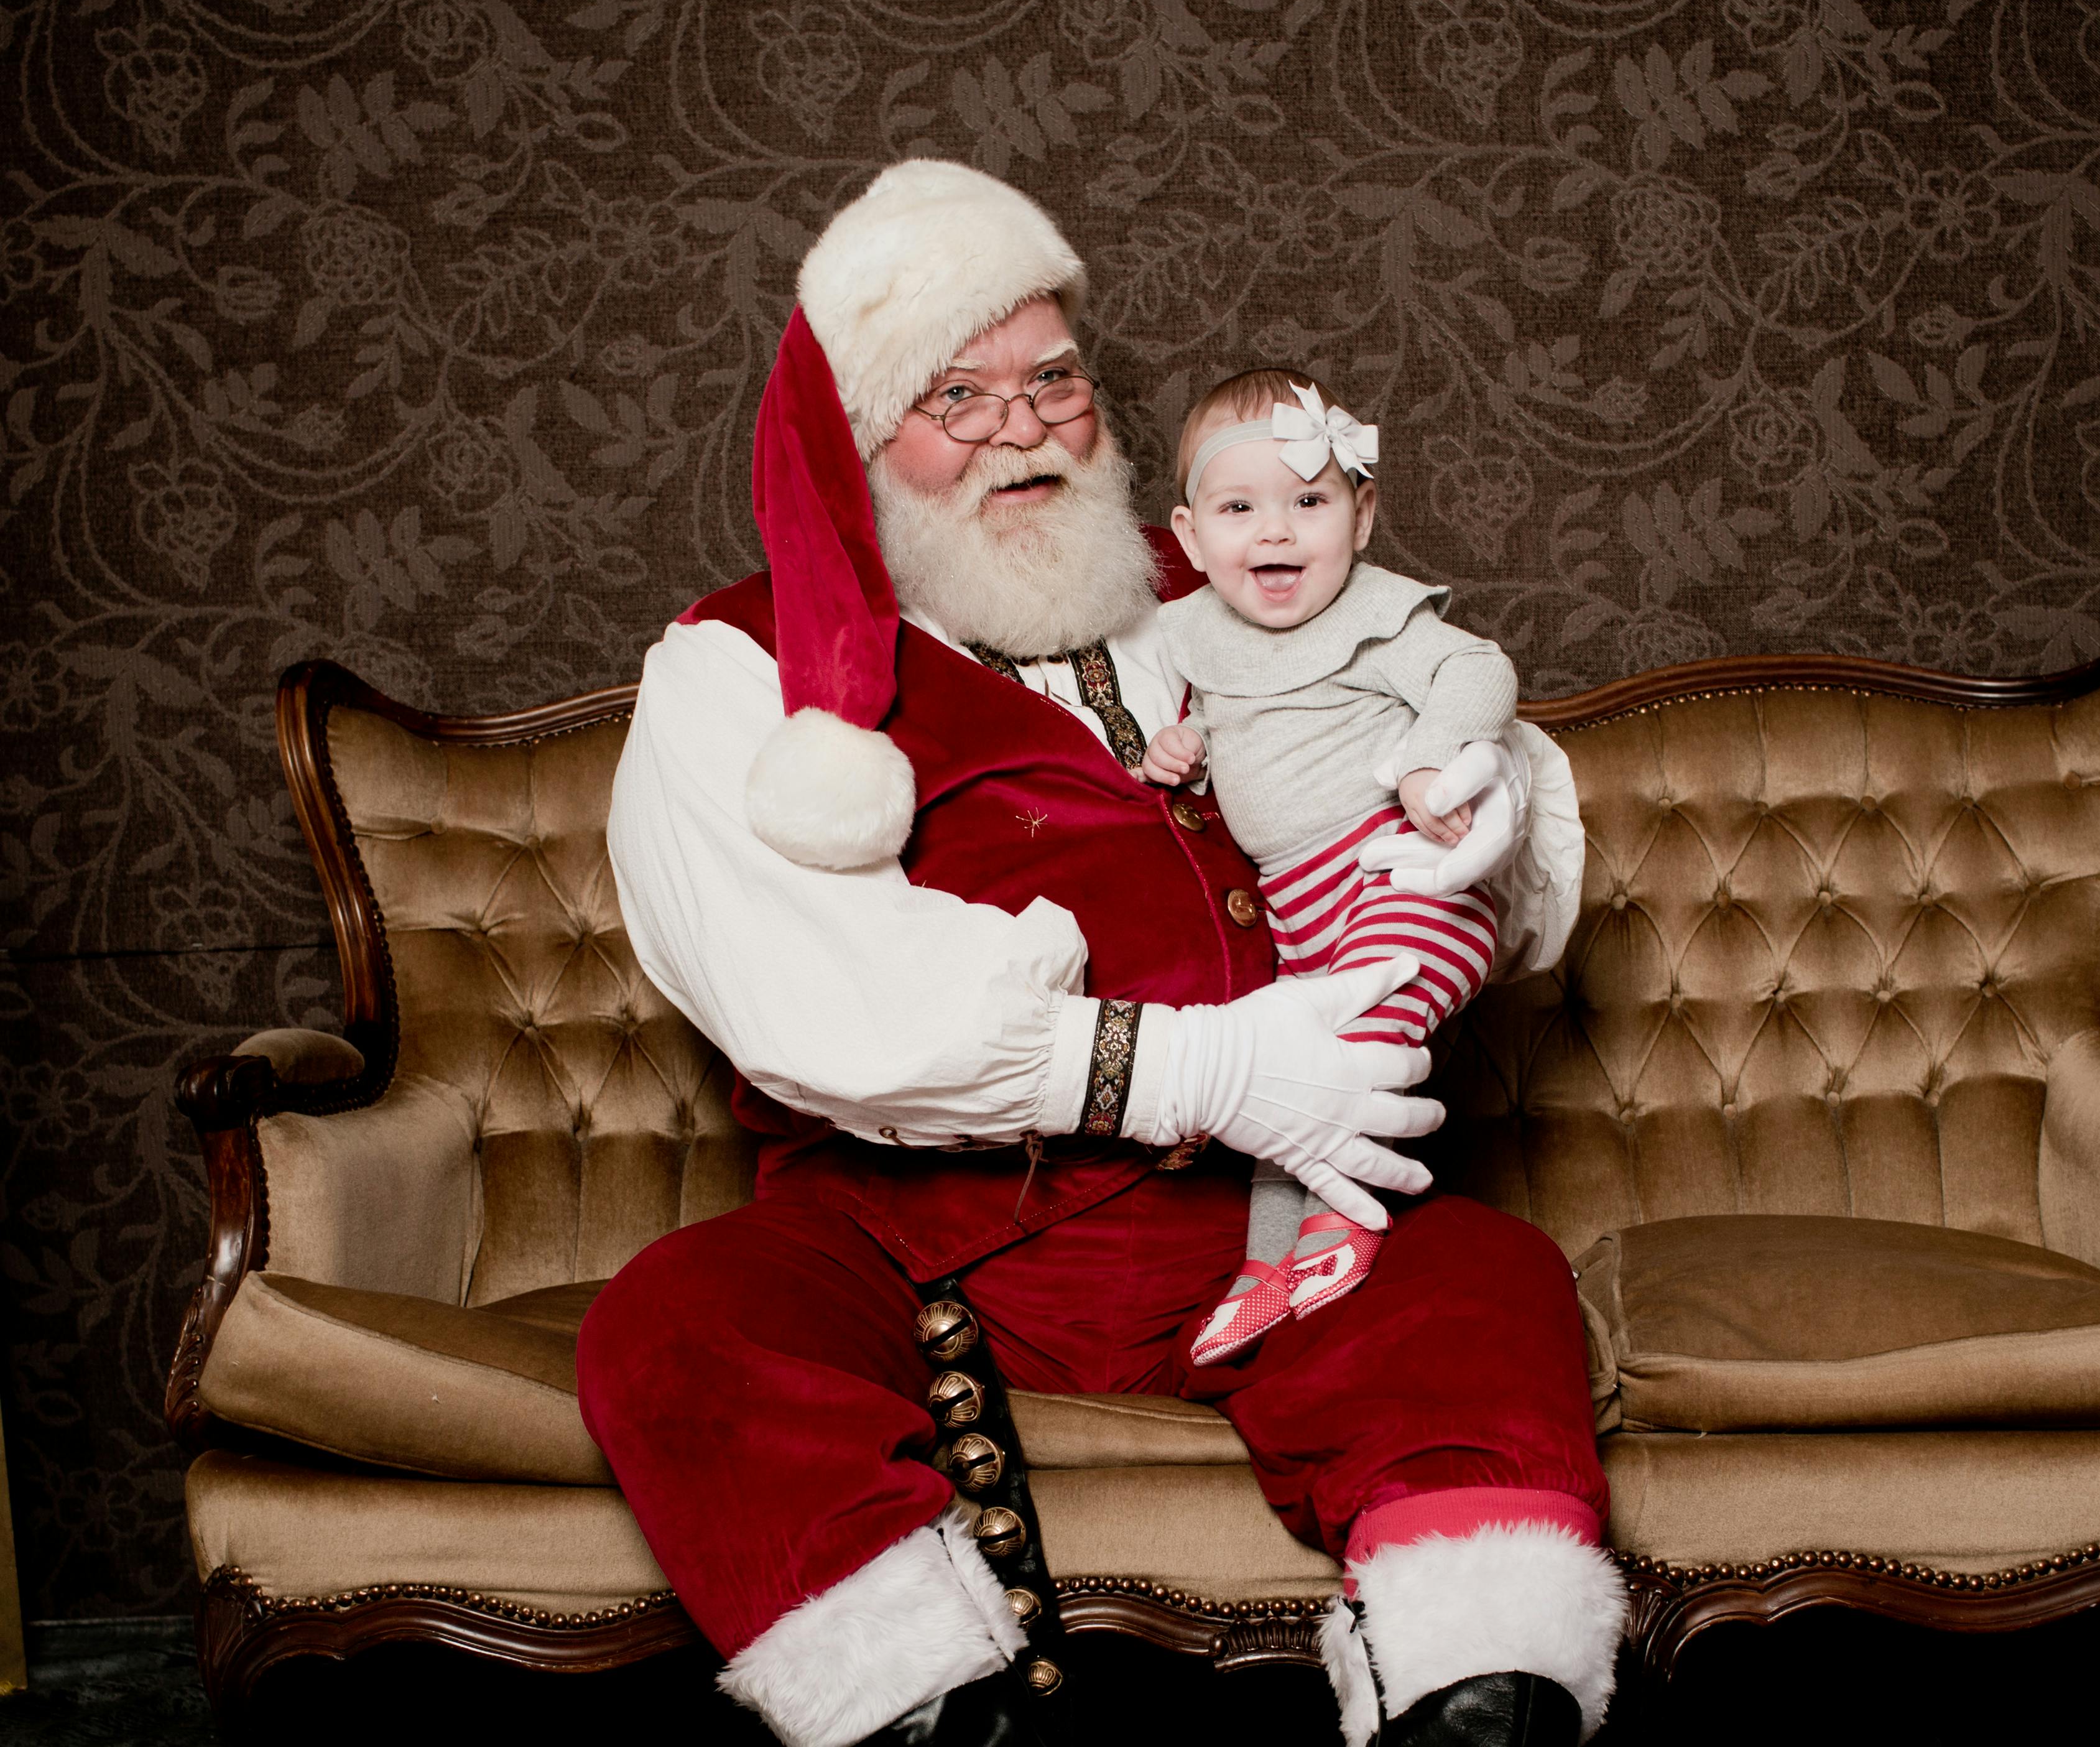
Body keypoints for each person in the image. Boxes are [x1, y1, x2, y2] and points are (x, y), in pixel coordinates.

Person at [576, 159, 1621, 1747]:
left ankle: (1473, 1698)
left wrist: (1487, 825)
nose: (1025, 425)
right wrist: (1209, 1063)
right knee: (676, 1326)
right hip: (908, 1243)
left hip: (1271, 1222)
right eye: (957, 394)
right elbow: (811, 1005)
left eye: (1052, 377)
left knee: (1486, 1279)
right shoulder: (736, 666)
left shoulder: (1235, 571)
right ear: (864, 436)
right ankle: (931, 1709)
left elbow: (1461, 755)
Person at [1143, 368, 1552, 1369]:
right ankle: (1264, 1269)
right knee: (1294, 1084)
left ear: (1361, 517)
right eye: (1241, 509)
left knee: (1361, 1045)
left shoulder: (1379, 619)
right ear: (1193, 538)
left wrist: (1429, 760)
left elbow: (1481, 671)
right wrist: (1178, 745)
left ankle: (1343, 1225)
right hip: (1294, 910)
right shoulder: (1194, 632)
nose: (1276, 534)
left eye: (1310, 502)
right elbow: (1237, 719)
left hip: (1400, 878)